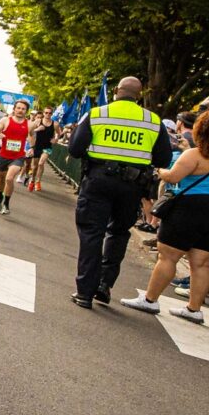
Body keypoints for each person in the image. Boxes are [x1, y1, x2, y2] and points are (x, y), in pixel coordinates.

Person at [67, 76, 172, 310]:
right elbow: (164, 158)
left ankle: (85, 292)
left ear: (116, 91)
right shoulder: (153, 121)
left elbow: (74, 149)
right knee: (118, 232)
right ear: (139, 95)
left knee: (92, 234)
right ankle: (104, 285)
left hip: (98, 181)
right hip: (132, 186)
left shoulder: (97, 114)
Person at [119, 109, 209, 323]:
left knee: (168, 256)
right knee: (201, 262)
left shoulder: (194, 154)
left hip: (190, 206)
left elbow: (174, 176)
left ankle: (150, 300)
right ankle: (194, 308)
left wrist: (160, 170)